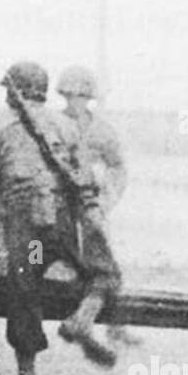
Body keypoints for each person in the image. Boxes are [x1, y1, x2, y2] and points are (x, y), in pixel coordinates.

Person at [0, 61, 121, 375]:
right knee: (105, 274)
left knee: (26, 287)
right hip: (61, 228)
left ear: (13, 91)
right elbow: (86, 182)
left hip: (29, 234)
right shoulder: (66, 127)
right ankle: (83, 318)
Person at [57, 64, 137, 347]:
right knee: (90, 269)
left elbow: (117, 167)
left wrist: (106, 202)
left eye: (80, 96)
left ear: (89, 98)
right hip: (59, 209)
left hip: (91, 209)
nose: (74, 101)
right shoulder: (52, 124)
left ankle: (115, 326)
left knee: (107, 266)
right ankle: (84, 320)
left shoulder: (102, 130)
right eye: (69, 95)